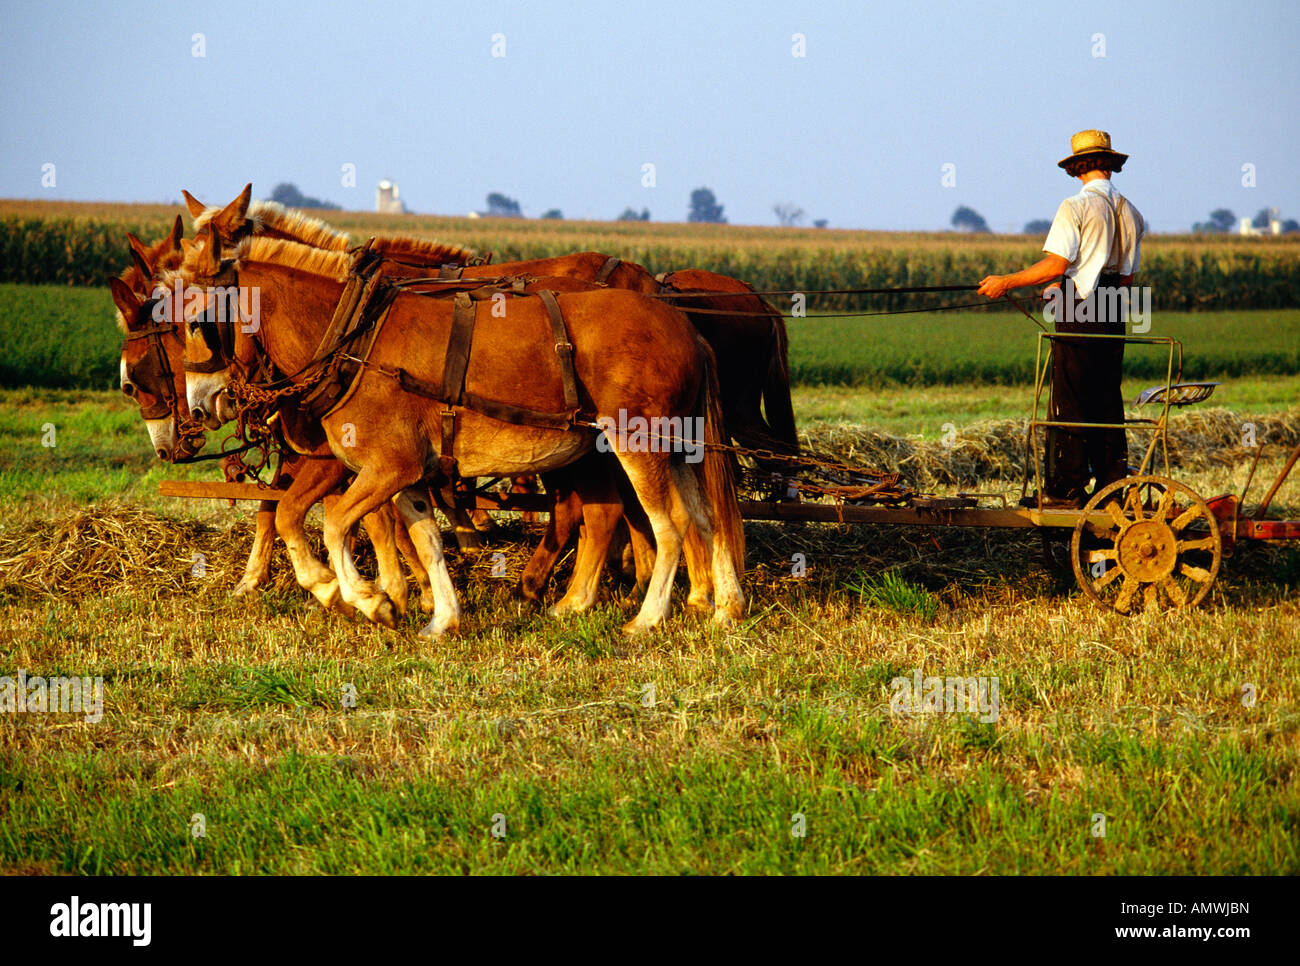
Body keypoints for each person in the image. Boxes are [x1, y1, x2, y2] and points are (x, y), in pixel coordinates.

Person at [978, 129, 1146, 508]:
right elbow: (1127, 277)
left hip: (1080, 306)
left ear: (1077, 169)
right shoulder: (1132, 212)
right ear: (1110, 165)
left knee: (1069, 396)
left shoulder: (1076, 206)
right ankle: (1111, 486)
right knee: (1106, 395)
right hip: (1114, 306)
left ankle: (1065, 488)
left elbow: (1057, 264)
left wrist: (1006, 282)